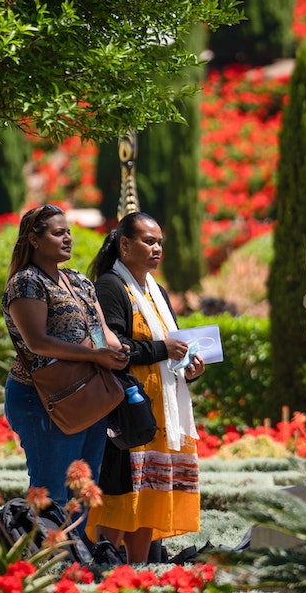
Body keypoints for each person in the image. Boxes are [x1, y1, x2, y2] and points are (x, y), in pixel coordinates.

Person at [84, 211, 204, 563]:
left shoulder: (157, 291)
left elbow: (172, 345)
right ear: (124, 245)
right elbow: (111, 347)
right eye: (148, 241)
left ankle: (139, 572)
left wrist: (190, 366)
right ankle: (108, 569)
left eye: (159, 243)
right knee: (122, 497)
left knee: (149, 496)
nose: (156, 248)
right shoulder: (109, 286)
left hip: (159, 415)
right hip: (127, 412)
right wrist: (163, 350)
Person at [2, 203, 130, 514]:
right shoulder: (27, 282)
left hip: (89, 395)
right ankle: (46, 561)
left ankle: (77, 560)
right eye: (58, 233)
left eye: (68, 232)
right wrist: (94, 354)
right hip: (43, 397)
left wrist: (116, 349)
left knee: (84, 490)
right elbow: (38, 342)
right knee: (52, 493)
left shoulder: (79, 280)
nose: (68, 238)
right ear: (34, 239)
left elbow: (101, 333)